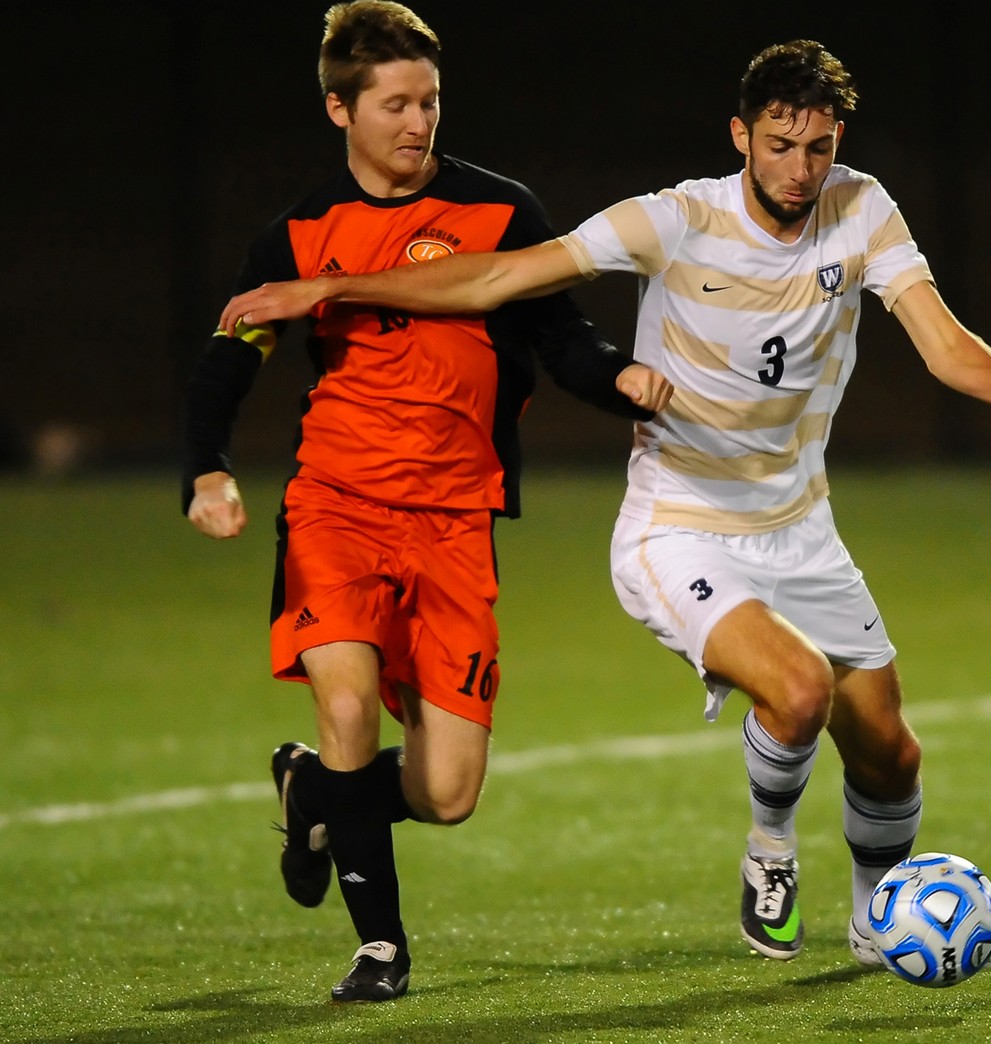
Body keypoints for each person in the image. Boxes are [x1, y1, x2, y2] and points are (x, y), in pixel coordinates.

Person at [219, 38, 991, 964]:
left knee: (891, 755)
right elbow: (495, 275)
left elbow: (943, 341)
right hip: (680, 528)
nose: (801, 170)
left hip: (801, 527)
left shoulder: (861, 207)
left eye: (820, 148)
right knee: (797, 693)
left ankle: (880, 922)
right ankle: (770, 849)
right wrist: (331, 286)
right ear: (740, 136)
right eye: (781, 146)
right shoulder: (674, 220)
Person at [182, 1, 672, 1001]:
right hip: (337, 506)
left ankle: (313, 790)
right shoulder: (296, 234)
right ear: (339, 110)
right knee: (351, 705)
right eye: (396, 104)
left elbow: (560, 333)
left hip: (455, 522)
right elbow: (230, 359)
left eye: (431, 102)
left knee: (445, 794)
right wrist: (207, 466)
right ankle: (380, 951)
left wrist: (615, 375)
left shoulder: (499, 213)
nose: (419, 122)